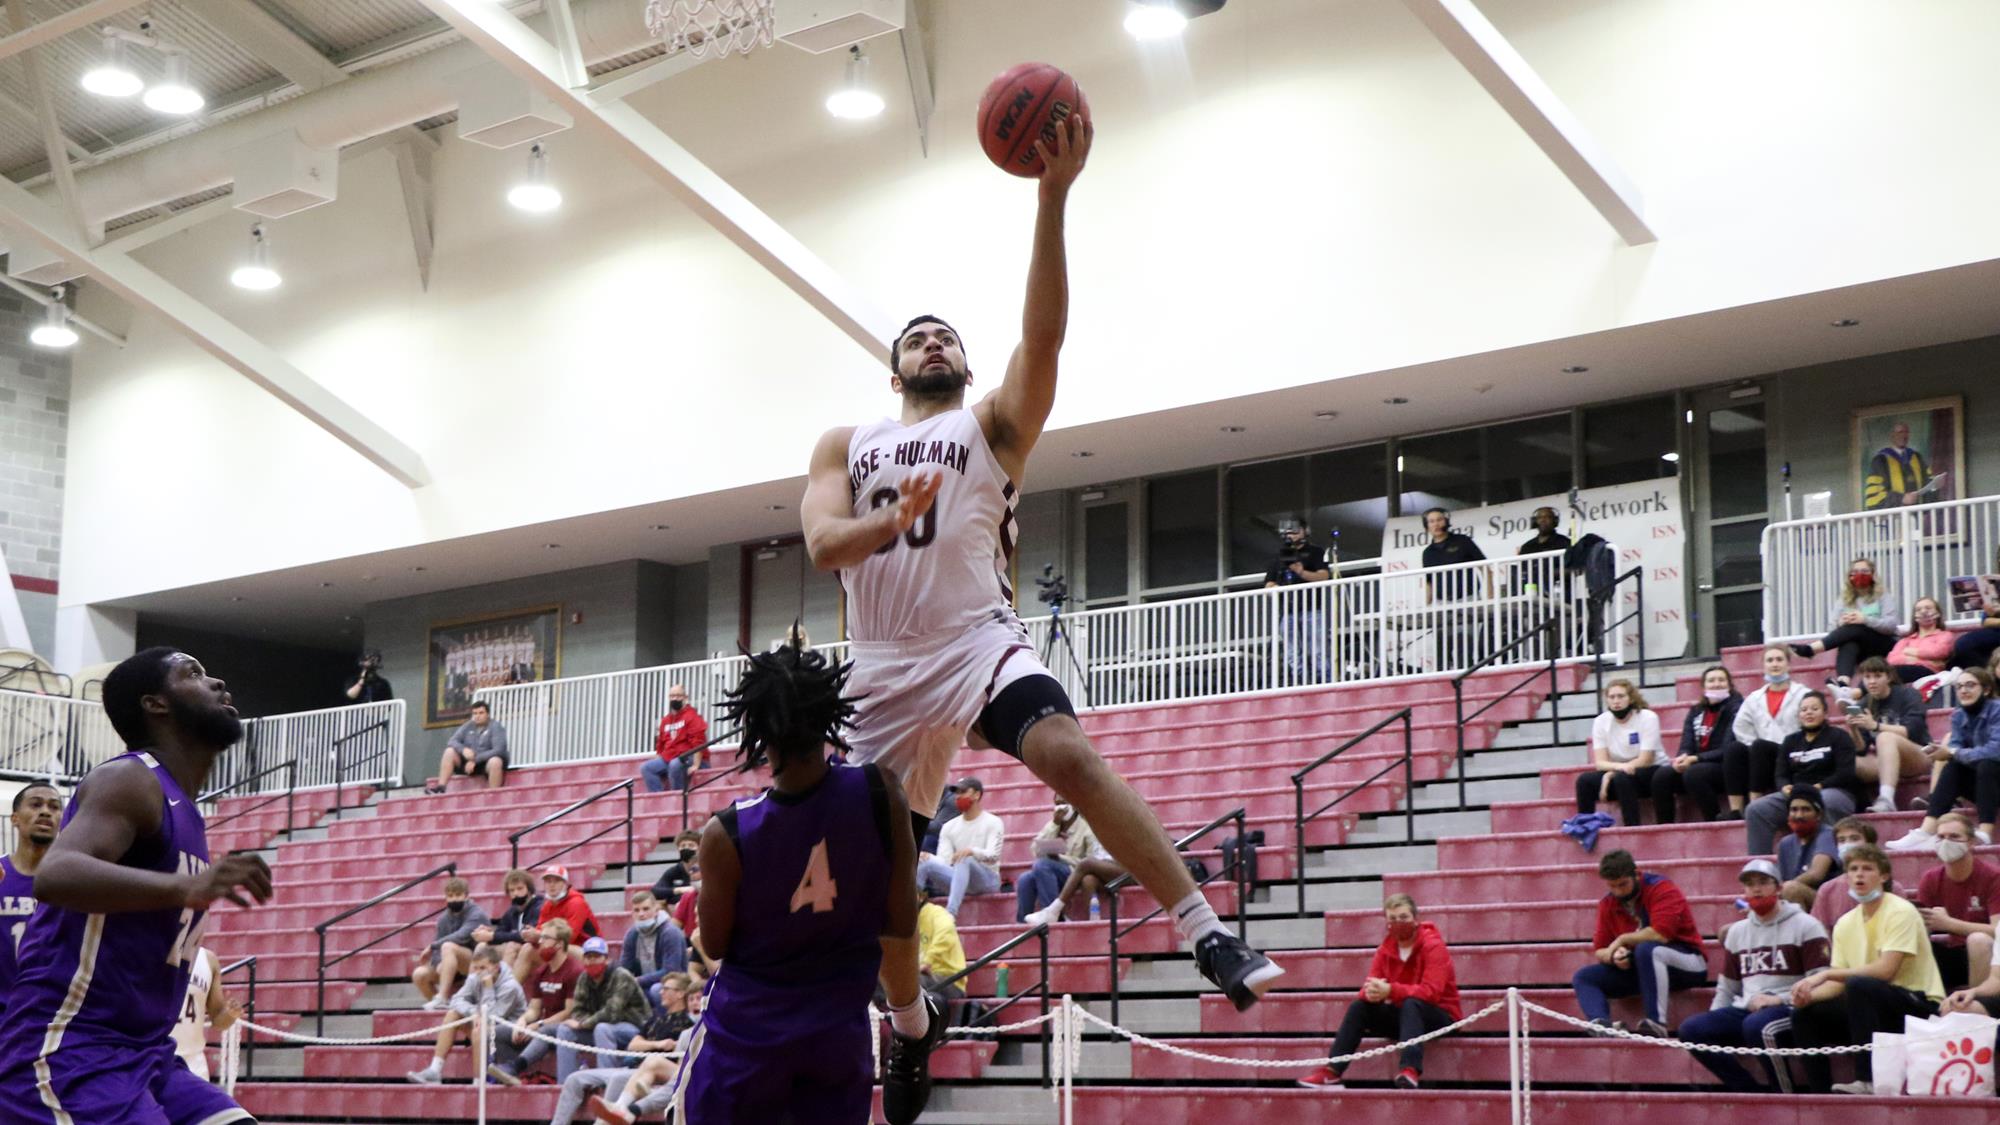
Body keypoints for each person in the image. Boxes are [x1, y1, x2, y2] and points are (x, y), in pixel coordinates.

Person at [796, 114, 1277, 1125]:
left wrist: (1050, 199)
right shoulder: (847, 438)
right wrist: (884, 519)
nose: (935, 340)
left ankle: (1202, 929)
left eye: (948, 336)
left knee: (1063, 748)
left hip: (975, 638)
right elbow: (820, 547)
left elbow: (1042, 337)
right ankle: (911, 1026)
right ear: (893, 371)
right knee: (885, 890)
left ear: (965, 369)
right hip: (878, 669)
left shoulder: (993, 425)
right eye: (917, 335)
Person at [0, 647, 271, 1124]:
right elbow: (57, 874)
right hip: (71, 1050)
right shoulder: (130, 778)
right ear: (156, 704)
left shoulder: (184, 807)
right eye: (194, 673)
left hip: (147, 1056)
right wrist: (183, 887)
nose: (217, 683)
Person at [665, 642, 918, 1123]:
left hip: (745, 1042)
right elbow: (901, 921)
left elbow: (715, 943)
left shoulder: (726, 833)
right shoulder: (880, 791)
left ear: (756, 731)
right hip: (836, 1040)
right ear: (830, 713)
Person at [1789, 843, 1945, 1094]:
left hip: (1917, 1004)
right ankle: (1819, 1093)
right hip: (1870, 1008)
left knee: (1861, 986)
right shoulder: (1844, 923)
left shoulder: (1900, 910)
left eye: (1867, 869)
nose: (1859, 874)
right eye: (1853, 869)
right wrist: (1808, 996)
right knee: (1805, 1013)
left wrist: (1826, 973)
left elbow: (1886, 971)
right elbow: (1837, 984)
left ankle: (1867, 1079)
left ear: (1883, 876)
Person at [1675, 860, 1830, 1093]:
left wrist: (1781, 999)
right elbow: (1727, 988)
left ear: (1778, 888)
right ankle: (1748, 1091)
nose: (1756, 889)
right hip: (1749, 1009)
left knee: (1758, 1025)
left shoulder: (1807, 926)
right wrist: (1716, 1019)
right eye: (1749, 884)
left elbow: (1820, 981)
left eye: (1763, 883)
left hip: (1793, 1009)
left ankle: (1783, 1094)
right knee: (1692, 1029)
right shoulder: (1737, 932)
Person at [1296, 894, 1461, 1091]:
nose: (1398, 923)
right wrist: (1371, 994)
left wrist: (1390, 990)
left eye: (1403, 917)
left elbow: (1431, 993)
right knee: (1360, 1007)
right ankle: (1332, 1072)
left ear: (1416, 919)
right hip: (1406, 1017)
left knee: (1412, 1002)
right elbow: (1369, 985)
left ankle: (1410, 1069)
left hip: (1441, 1016)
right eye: (1392, 918)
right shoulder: (1385, 950)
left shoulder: (1433, 946)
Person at [1570, 849, 1706, 1037]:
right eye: (1612, 886)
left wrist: (1622, 940)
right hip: (1643, 968)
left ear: (1635, 874)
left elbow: (1661, 934)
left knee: (1647, 950)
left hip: (1688, 961)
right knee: (1584, 976)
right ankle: (1601, 1025)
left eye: (1623, 884)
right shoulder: (1608, 903)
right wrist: (1614, 956)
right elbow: (1600, 950)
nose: (1618, 891)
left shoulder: (1662, 888)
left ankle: (1656, 1023)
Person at [1887, 668, 2000, 852]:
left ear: (1986, 690)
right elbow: (1954, 749)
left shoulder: (1997, 710)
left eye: (1970, 685)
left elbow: (1995, 751)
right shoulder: (1958, 715)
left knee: (1987, 764)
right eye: (1960, 686)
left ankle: (1985, 832)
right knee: (1953, 767)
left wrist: (1953, 752)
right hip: (1983, 785)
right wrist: (1946, 753)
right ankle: (1925, 831)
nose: (1964, 690)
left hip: (1994, 776)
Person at [1744, 691, 1860, 856]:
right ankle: (1759, 863)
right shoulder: (1790, 741)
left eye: (1814, 708)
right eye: (1804, 709)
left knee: (1825, 801)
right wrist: (1784, 787)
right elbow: (1781, 774)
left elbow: (1845, 773)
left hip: (1834, 791)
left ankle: (1828, 858)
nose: (1809, 712)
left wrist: (1819, 787)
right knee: (1755, 809)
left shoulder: (1839, 736)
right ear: (1798, 715)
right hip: (1797, 794)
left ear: (1825, 713)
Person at [407, 942, 528, 1085]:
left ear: (496, 967)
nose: (478, 972)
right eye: (476, 968)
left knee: (480, 1029)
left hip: (511, 1034)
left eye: (483, 968)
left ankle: (479, 1082)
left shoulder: (510, 986)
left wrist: (488, 989)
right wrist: (474, 1012)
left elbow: (493, 1018)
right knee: (453, 1014)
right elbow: (456, 1001)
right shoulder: (475, 976)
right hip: (486, 1024)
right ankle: (435, 1070)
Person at [1911, 812, 2000, 992]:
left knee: (1978, 940)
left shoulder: (1993, 877)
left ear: (1971, 842)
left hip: (1990, 957)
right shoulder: (1931, 878)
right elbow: (1922, 929)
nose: (1946, 842)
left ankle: (1979, 1008)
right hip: (1953, 953)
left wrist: (1949, 924)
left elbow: (1997, 931)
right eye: (1941, 837)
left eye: (1954, 837)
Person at [489, 919, 583, 1085]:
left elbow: (569, 1012)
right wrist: (523, 1021)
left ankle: (514, 1066)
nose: (541, 943)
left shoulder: (574, 970)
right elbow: (534, 1008)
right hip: (544, 1026)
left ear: (559, 944)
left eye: (546, 938)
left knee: (545, 1030)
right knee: (499, 1031)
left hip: (566, 1029)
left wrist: (538, 1025)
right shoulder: (541, 972)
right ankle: (512, 1076)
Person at [552, 936, 653, 1081]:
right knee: (565, 1030)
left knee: (602, 1028)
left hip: (635, 1028)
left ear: (607, 959)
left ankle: (605, 1081)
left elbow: (612, 1012)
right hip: (598, 1025)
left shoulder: (621, 976)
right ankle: (564, 1084)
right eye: (588, 957)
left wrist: (583, 1024)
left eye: (596, 957)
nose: (591, 961)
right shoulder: (584, 978)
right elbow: (577, 1010)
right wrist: (583, 1022)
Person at [1650, 667, 1742, 822]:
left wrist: (1695, 759)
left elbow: (1728, 748)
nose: (1716, 684)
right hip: (1697, 763)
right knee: (1662, 775)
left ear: (1729, 685)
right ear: (1704, 686)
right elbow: (1686, 742)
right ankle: (1664, 827)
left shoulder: (1737, 708)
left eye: (1721, 680)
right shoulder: (1696, 710)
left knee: (1694, 773)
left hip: (1724, 767)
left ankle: (1714, 820)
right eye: (1711, 681)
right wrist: (1683, 757)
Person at [1725, 645, 1810, 812]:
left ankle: (1754, 805)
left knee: (1760, 746)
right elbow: (1740, 726)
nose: (1775, 664)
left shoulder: (1803, 694)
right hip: (1761, 754)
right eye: (1769, 660)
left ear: (1788, 664)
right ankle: (1736, 810)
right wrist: (1751, 747)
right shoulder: (1754, 697)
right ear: (1764, 665)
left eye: (1779, 659)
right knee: (1735, 749)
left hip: (1792, 753)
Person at [0, 781, 62, 1010]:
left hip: (45, 1016)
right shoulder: (1, 873)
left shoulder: (72, 883)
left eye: (54, 807)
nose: (45, 811)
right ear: (14, 818)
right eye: (35, 804)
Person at [1789, 557, 1901, 683]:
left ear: (1873, 575)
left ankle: (1812, 649)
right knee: (1849, 641)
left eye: (1865, 571)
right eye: (1855, 572)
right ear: (1849, 576)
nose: (1860, 575)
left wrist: (1865, 619)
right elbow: (1832, 627)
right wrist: (1841, 623)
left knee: (1856, 627)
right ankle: (1843, 682)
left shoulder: (1883, 596)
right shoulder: (1844, 599)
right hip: (1861, 650)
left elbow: (1892, 625)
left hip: (1885, 645)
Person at [1848, 656, 1932, 814]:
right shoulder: (1865, 703)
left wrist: (1876, 726)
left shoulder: (1908, 694)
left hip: (1919, 755)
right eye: (1867, 677)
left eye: (1877, 676)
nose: (1872, 681)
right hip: (1887, 762)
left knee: (1885, 737)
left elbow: (1911, 731)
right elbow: (1861, 749)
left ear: (1889, 677)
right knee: (1846, 759)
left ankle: (1886, 799)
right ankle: (1856, 806)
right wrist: (1853, 729)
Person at [1573, 679, 1661, 826]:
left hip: (1649, 772)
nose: (1616, 701)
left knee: (1622, 778)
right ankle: (1586, 827)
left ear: (1631, 698)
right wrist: (1616, 770)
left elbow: (1646, 759)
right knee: (1584, 781)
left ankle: (1632, 828)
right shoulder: (1601, 721)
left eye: (1621, 696)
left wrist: (1612, 773)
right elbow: (1600, 763)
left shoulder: (1648, 717)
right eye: (1612, 697)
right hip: (1619, 771)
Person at [916, 777, 1005, 917]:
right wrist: (930, 858)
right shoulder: (949, 827)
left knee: (964, 859)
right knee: (923, 860)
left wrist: (972, 852)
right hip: (958, 876)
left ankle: (951, 913)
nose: (958, 796)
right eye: (957, 793)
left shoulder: (993, 822)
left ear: (977, 794)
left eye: (963, 791)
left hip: (987, 879)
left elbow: (993, 856)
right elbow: (944, 860)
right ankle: (913, 912)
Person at [1264, 517, 1333, 684]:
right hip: (1288, 612)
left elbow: (1324, 576)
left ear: (1304, 531)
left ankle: (1323, 680)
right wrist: (1277, 589)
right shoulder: (1279, 556)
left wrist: (1302, 572)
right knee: (1292, 652)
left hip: (1311, 609)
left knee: (1317, 649)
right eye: (1287, 531)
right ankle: (1299, 681)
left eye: (1295, 530)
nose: (1291, 534)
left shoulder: (1315, 551)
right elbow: (1269, 584)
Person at [513, 865, 601, 981]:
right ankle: (513, 992)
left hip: (585, 949)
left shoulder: (577, 903)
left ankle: (509, 992)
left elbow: (568, 937)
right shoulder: (547, 905)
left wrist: (539, 936)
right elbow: (541, 929)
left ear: (565, 884)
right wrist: (531, 936)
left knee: (534, 950)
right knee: (526, 948)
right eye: (548, 881)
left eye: (556, 881)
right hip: (561, 947)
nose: (552, 885)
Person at [414, 876, 490, 1011]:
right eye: (450, 896)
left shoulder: (476, 914)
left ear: (466, 896)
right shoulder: (443, 918)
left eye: (458, 895)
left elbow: (461, 936)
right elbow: (437, 951)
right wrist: (438, 964)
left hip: (474, 960)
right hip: (450, 964)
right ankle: (443, 1006)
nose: (454, 899)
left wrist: (433, 945)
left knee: (448, 946)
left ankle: (442, 996)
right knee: (419, 974)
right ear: (445, 898)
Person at [171, 946, 241, 1083]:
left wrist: (230, 1015)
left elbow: (219, 1021)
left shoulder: (208, 959)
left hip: (193, 1062)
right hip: (152, 1057)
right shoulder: (149, 951)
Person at [1015, 799, 1093, 922]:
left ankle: (1054, 916)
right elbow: (1035, 849)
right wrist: (1055, 825)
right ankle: (1022, 924)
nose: (1060, 807)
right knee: (1025, 879)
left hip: (1074, 873)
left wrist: (1060, 858)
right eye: (1057, 804)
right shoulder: (1052, 824)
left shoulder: (1086, 827)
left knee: (1042, 865)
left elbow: (1091, 861)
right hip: (1049, 872)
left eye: (1064, 802)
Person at [1773, 785, 1839, 909]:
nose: (1799, 815)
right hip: (1791, 901)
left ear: (1818, 815)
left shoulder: (1828, 834)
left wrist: (1778, 892)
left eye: (1806, 809)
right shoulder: (1785, 843)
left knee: (1791, 889)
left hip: (1828, 903)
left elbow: (1816, 874)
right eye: (1794, 810)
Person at [1812, 818, 1880, 932]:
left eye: (1854, 839)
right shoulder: (1827, 890)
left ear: (1869, 844)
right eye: (1841, 840)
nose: (1847, 844)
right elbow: (1820, 933)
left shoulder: (1892, 887)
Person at [619, 890, 687, 1003]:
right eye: (637, 910)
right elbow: (624, 968)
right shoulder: (632, 934)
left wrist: (638, 980)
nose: (641, 914)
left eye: (646, 909)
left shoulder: (670, 933)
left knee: (657, 990)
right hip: (644, 985)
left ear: (656, 910)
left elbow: (671, 971)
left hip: (675, 984)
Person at [429, 700, 510, 793]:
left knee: (496, 761)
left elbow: (499, 750)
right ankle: (441, 787)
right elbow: (452, 741)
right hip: (468, 765)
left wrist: (475, 760)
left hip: (486, 764)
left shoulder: (496, 727)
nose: (477, 716)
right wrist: (463, 750)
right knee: (449, 751)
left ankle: (493, 795)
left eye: (481, 713)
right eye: (475, 713)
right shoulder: (468, 726)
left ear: (488, 714)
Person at [473, 867, 543, 972]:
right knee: (482, 946)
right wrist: (489, 932)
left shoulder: (539, 907)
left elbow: (525, 936)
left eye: (520, 889)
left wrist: (492, 936)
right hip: (517, 949)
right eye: (512, 890)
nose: (515, 893)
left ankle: (505, 986)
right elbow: (501, 932)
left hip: (533, 950)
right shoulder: (512, 910)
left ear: (529, 889)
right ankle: (474, 985)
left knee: (511, 946)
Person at [644, 684, 709, 793]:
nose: (675, 699)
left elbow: (698, 742)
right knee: (647, 768)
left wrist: (696, 765)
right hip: (669, 757)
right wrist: (658, 757)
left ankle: (677, 797)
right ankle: (659, 799)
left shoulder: (692, 717)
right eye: (672, 696)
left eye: (678, 696)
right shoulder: (665, 720)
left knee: (675, 765)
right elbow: (660, 745)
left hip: (689, 757)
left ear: (685, 698)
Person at [1863, 420, 1930, 510]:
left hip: (1917, 513)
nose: (1903, 436)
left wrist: (1935, 485)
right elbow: (1875, 493)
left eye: (1906, 432)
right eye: (1900, 432)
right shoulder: (1880, 460)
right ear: (1892, 436)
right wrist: (1901, 498)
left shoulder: (1917, 457)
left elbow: (1927, 480)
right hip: (1894, 517)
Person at [1890, 597, 1957, 684]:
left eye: (1928, 608)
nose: (1923, 611)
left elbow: (1939, 652)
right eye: (1918, 610)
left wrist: (1909, 652)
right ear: (1914, 617)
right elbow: (1891, 660)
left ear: (1938, 613)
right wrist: (1923, 660)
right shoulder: (1905, 640)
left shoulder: (1945, 635)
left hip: (1929, 674)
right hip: (1904, 671)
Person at [650, 830, 702, 902]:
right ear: (678, 849)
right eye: (683, 846)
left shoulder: (707, 869)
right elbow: (655, 891)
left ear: (699, 848)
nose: (686, 848)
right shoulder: (674, 871)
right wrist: (680, 890)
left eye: (691, 845)